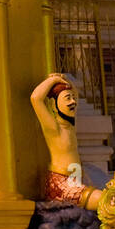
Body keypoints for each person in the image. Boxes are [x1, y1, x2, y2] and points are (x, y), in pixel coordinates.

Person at [30, 72, 100, 209]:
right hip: (61, 184)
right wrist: (54, 80)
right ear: (53, 105)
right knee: (107, 202)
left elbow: (77, 95)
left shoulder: (70, 125)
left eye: (72, 98)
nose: (73, 101)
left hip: (76, 181)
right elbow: (35, 98)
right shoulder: (54, 128)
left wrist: (66, 80)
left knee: (114, 199)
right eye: (68, 98)